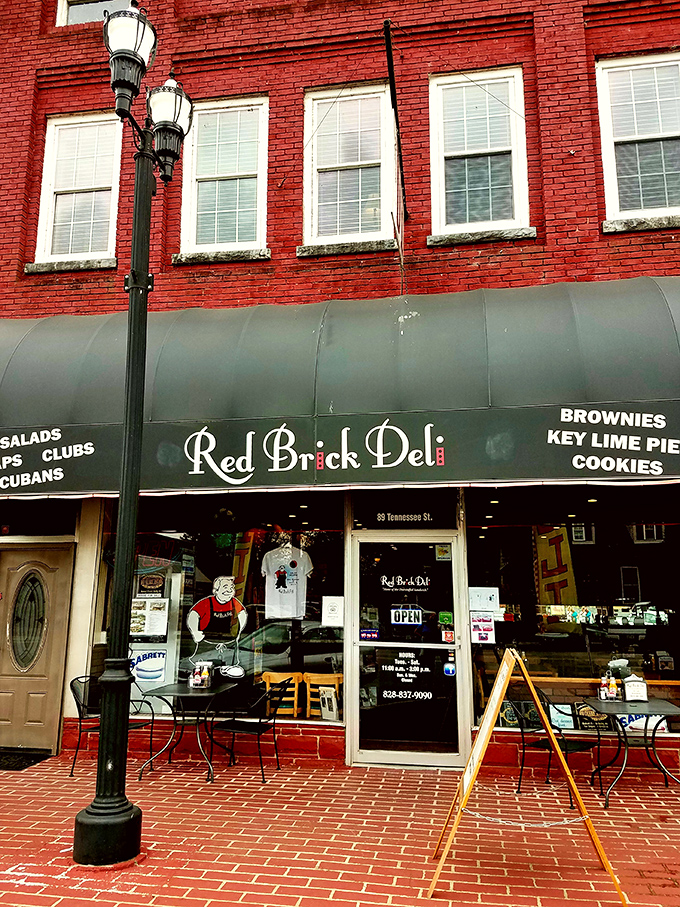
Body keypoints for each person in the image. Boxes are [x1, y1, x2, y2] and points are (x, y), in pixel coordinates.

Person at [186, 576, 247, 667]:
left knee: (230, 668)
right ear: (216, 590)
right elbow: (193, 615)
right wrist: (195, 632)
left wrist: (240, 632)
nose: (229, 590)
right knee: (203, 668)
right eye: (225, 587)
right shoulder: (207, 602)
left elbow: (242, 614)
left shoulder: (234, 603)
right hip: (206, 645)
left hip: (229, 646)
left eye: (231, 588)